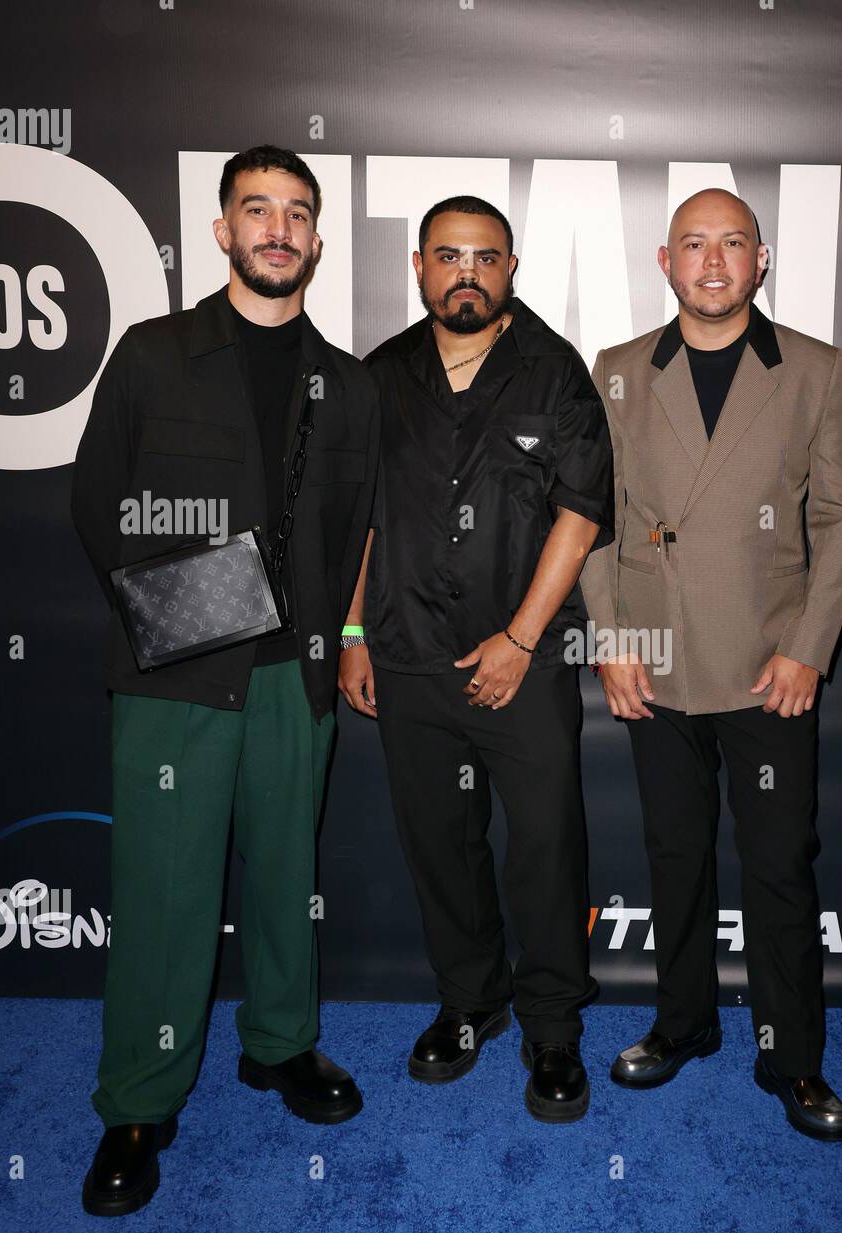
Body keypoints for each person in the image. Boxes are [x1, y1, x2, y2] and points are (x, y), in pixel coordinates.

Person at [72, 145, 380, 1215]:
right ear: (221, 231)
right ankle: (138, 1105)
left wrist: (343, 635)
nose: (278, 229)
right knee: (165, 894)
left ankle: (280, 1046)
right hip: (179, 682)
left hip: (293, 684)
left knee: (286, 879)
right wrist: (200, 612)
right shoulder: (154, 353)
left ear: (316, 238)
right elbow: (99, 502)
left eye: (297, 213)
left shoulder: (343, 383)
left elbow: (354, 535)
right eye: (258, 210)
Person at [580, 188, 842, 1140]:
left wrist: (806, 649)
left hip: (764, 665)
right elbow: (591, 517)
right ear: (664, 262)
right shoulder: (618, 370)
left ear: (761, 259)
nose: (712, 261)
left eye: (731, 243)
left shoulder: (817, 372)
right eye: (692, 245)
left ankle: (790, 1058)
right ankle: (684, 1024)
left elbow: (839, 519)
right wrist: (613, 641)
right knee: (675, 855)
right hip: (657, 663)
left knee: (781, 864)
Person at [338, 196, 614, 1123]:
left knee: (544, 850)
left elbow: (580, 516)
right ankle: (469, 1005)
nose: (467, 272)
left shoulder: (555, 373)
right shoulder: (377, 377)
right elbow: (362, 520)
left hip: (524, 666)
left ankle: (553, 1030)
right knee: (441, 849)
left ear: (511, 268)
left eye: (485, 257)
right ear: (418, 266)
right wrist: (350, 634)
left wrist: (521, 639)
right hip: (408, 656)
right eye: (448, 256)